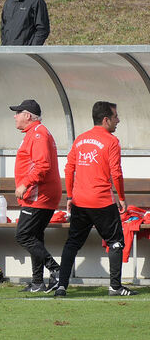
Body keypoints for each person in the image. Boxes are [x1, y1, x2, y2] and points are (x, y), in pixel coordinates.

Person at [57, 101, 135, 297]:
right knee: (116, 241)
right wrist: (122, 197)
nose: (119, 120)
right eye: (116, 117)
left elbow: (69, 169)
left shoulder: (80, 139)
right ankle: (115, 287)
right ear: (106, 119)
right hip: (101, 202)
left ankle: (61, 287)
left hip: (79, 202)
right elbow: (116, 173)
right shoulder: (111, 141)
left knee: (72, 243)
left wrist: (69, 195)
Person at [6, 99, 64, 293]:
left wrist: (25, 184)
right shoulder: (33, 133)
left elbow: (43, 166)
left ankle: (56, 270)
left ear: (28, 116)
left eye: (18, 112)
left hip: (40, 195)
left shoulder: (39, 134)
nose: (15, 116)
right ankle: (38, 281)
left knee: (23, 235)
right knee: (35, 237)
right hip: (38, 195)